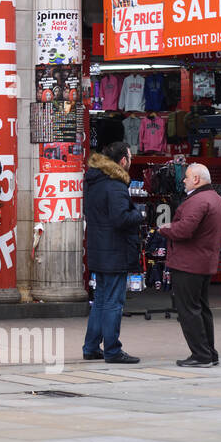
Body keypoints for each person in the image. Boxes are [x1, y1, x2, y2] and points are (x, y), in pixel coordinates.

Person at [82, 142, 145, 364]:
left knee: (100, 300)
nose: (131, 162)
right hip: (115, 251)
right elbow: (121, 219)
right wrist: (139, 214)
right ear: (122, 161)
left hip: (99, 250)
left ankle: (91, 347)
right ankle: (112, 350)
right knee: (113, 302)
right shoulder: (116, 185)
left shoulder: (93, 182)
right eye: (130, 158)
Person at [159, 163, 221, 367]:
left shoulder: (197, 200)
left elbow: (184, 230)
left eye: (187, 177)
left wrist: (165, 228)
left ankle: (201, 355)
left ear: (196, 179)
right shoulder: (216, 198)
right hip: (204, 262)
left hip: (189, 263)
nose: (184, 180)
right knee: (201, 308)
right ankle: (209, 353)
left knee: (188, 310)